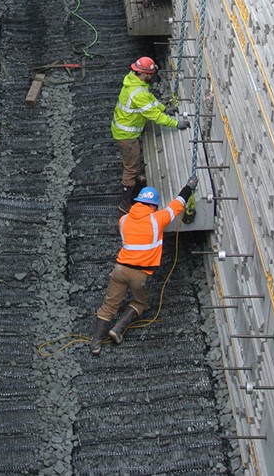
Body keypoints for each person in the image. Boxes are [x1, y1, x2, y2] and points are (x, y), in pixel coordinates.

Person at [90, 176, 198, 355]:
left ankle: (95, 343)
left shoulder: (123, 221)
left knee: (109, 305)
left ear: (138, 202)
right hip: (140, 274)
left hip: (120, 269)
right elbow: (177, 205)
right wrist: (189, 187)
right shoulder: (158, 219)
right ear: (153, 205)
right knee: (140, 302)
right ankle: (117, 329)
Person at [111, 57, 188, 213]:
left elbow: (150, 101)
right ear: (144, 74)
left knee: (133, 159)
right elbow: (154, 116)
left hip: (126, 131)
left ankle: (135, 179)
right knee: (130, 167)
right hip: (126, 135)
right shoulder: (138, 93)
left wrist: (164, 108)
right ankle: (125, 203)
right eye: (151, 73)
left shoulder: (135, 83)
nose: (152, 76)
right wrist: (175, 124)